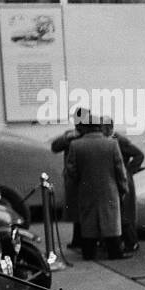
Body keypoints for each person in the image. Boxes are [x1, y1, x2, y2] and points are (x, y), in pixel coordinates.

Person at [64, 114, 130, 261]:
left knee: (89, 224)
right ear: (99, 127)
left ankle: (88, 254)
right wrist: (123, 189)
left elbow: (71, 171)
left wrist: (78, 185)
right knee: (111, 223)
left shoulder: (76, 145)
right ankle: (115, 253)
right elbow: (120, 170)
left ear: (85, 127)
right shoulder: (112, 144)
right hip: (109, 191)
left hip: (86, 190)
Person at [101, 116, 145, 254]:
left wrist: (128, 170)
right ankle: (125, 242)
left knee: (124, 213)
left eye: (102, 127)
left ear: (108, 127)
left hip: (123, 179)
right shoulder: (110, 141)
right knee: (120, 212)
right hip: (117, 179)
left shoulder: (119, 140)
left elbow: (139, 155)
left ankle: (132, 242)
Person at [50, 106, 88, 250]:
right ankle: (78, 239)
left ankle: (81, 240)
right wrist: (68, 137)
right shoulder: (70, 135)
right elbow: (55, 147)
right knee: (77, 211)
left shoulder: (80, 136)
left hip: (78, 177)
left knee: (82, 211)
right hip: (76, 178)